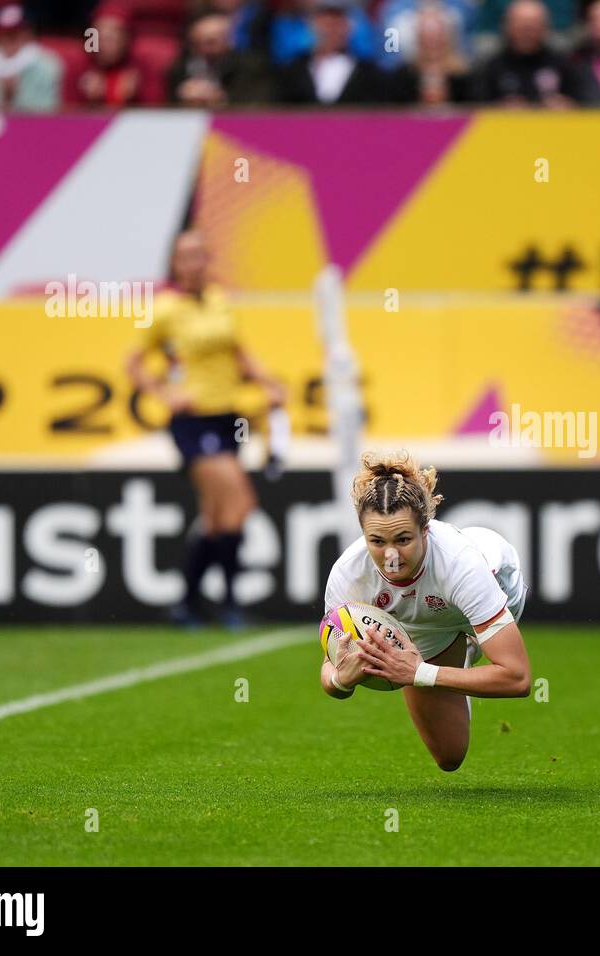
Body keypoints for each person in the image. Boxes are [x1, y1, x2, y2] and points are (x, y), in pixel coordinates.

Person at [321, 452, 533, 772]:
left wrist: (420, 674)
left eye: (403, 539)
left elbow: (518, 679)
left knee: (465, 660)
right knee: (449, 757)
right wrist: (341, 681)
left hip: (497, 583)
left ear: (425, 530)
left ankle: (469, 646)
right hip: (428, 622)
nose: (391, 555)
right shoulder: (348, 574)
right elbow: (329, 667)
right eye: (376, 541)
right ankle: (456, 657)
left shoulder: (462, 566)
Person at [125, 230, 286, 629]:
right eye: (186, 256)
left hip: (226, 417)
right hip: (193, 421)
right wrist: (165, 393)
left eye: (200, 254)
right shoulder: (165, 309)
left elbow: (238, 354)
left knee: (216, 517)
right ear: (175, 264)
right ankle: (227, 602)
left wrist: (267, 381)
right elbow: (133, 363)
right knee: (241, 502)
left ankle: (187, 603)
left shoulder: (219, 301)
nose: (194, 263)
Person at [469, 0, 580, 106]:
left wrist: (566, 105)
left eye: (533, 26)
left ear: (546, 28)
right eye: (521, 26)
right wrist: (499, 108)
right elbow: (475, 107)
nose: (527, 33)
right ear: (506, 26)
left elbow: (584, 106)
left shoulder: (564, 65)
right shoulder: (489, 68)